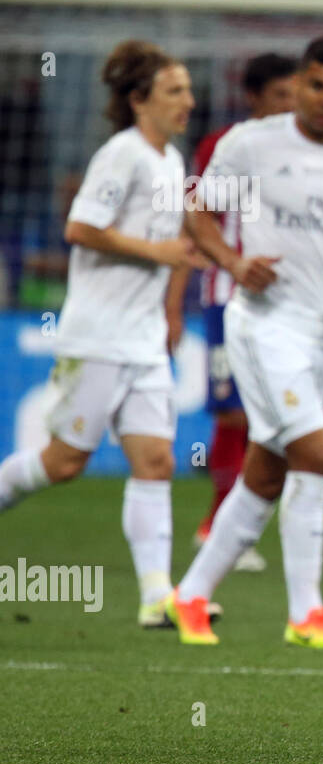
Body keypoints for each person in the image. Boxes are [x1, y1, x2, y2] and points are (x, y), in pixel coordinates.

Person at [166, 33, 323, 647]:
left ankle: (190, 596)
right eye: (318, 87)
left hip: (322, 334)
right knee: (319, 454)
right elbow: (198, 209)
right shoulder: (252, 144)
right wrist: (231, 261)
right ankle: (306, 613)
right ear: (299, 85)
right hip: (261, 324)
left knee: (267, 472)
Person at [0, 39, 210, 628]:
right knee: (65, 462)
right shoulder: (121, 155)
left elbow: (178, 246)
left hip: (143, 340)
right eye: (175, 91)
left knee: (156, 461)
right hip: (96, 336)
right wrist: (157, 252)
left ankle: (154, 597)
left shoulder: (171, 161)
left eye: (189, 90)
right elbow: (80, 228)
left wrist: (171, 307)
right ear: (139, 100)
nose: (188, 101)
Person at [183, 52, 297, 572]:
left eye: (294, 96)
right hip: (228, 297)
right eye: (280, 96)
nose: (289, 107)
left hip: (285, 305)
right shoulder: (225, 147)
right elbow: (196, 216)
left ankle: (224, 528)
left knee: (266, 420)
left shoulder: (306, 151)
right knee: (236, 413)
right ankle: (216, 526)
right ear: (253, 97)